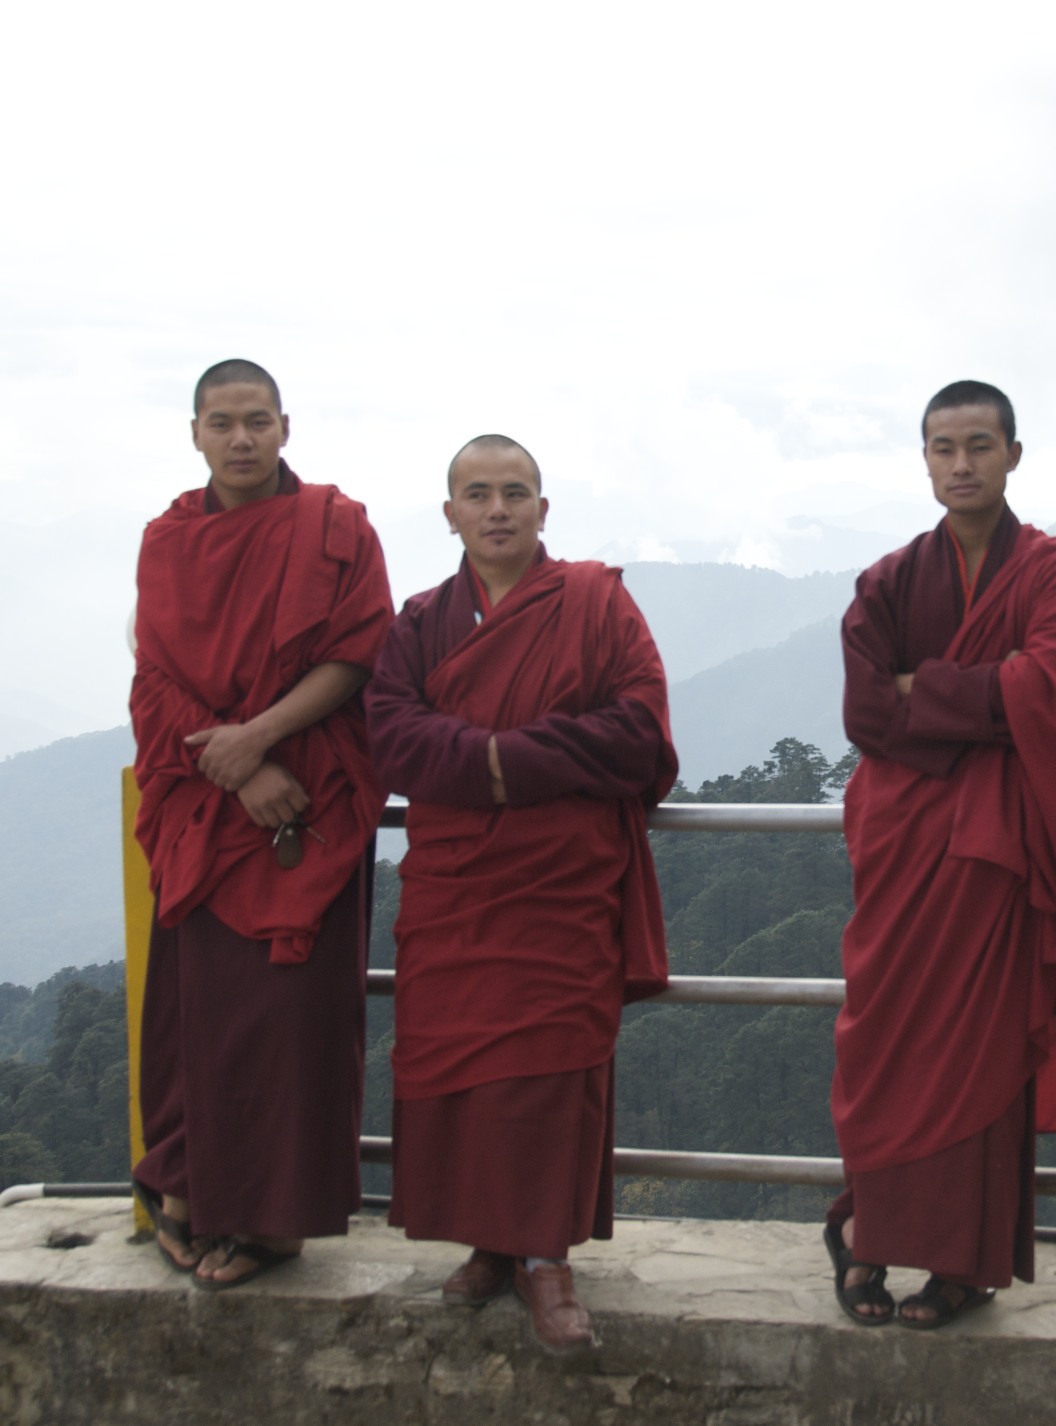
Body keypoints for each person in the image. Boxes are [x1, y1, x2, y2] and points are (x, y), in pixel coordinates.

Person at [826, 380, 1056, 1329]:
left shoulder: (1055, 575)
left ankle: (961, 1265)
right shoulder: (888, 581)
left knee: (976, 1059)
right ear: (923, 460)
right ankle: (863, 1236)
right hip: (902, 852)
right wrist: (990, 701)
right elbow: (864, 712)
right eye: (943, 447)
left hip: (1001, 859)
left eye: (979, 445)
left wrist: (923, 689)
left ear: (1014, 454)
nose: (961, 464)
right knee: (882, 1046)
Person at [365, 433, 677, 1352]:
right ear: (449, 513)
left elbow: (639, 732)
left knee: (545, 1073)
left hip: (561, 884)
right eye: (477, 493)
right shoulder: (420, 623)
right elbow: (392, 739)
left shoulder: (596, 603)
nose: (496, 508)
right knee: (455, 1070)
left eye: (514, 492)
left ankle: (546, 1260)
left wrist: (495, 761)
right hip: (456, 885)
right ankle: (489, 1245)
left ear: (544, 509)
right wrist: (531, 758)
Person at [129, 359, 392, 1289]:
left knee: (289, 1020)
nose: (240, 439)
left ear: (287, 427)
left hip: (305, 798)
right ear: (194, 433)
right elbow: (155, 673)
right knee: (198, 1010)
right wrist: (234, 765)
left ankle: (273, 1222)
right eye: (220, 423)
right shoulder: (167, 541)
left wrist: (265, 739)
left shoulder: (334, 527)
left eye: (256, 421)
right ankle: (189, 1192)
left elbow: (360, 653)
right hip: (215, 799)